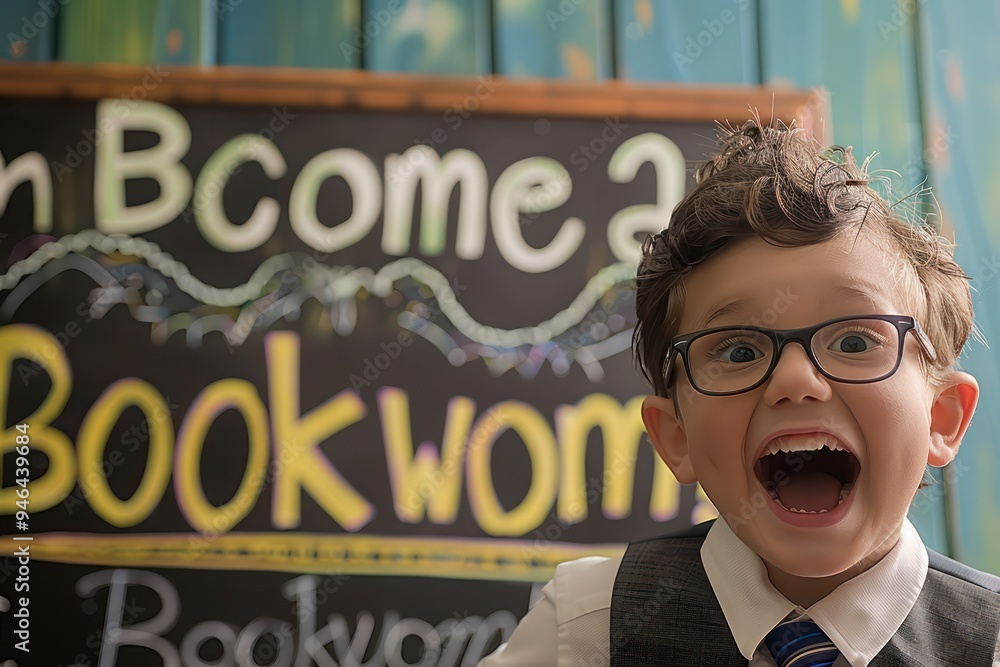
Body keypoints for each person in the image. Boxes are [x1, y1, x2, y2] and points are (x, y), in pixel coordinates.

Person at [478, 120, 1000, 666]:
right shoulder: (589, 628)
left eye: (853, 340)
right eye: (738, 352)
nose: (796, 380)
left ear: (942, 419)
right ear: (674, 437)